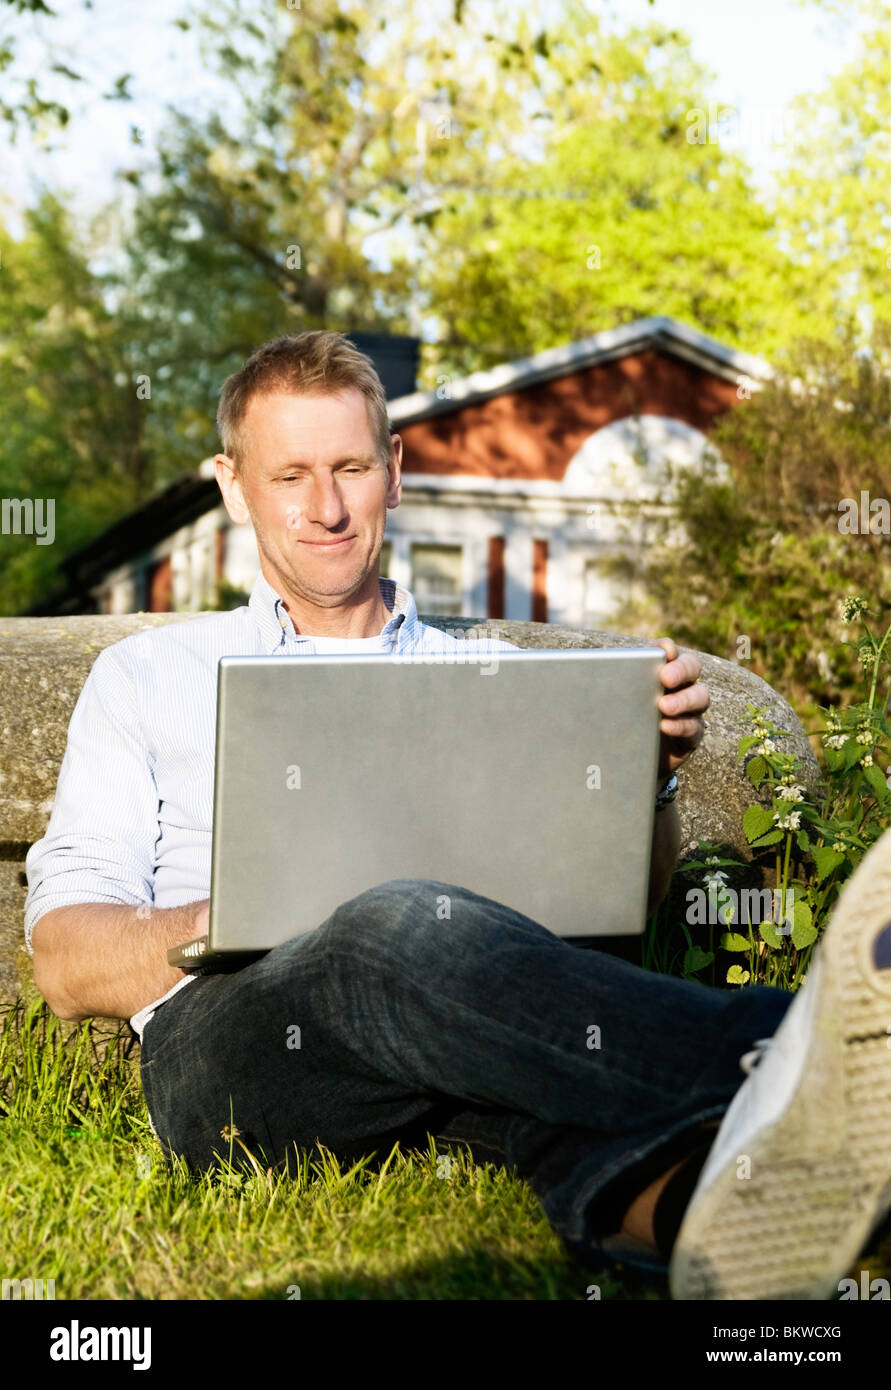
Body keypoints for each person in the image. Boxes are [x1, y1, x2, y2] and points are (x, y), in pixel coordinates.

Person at [24, 332, 890, 1301]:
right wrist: (260, 911)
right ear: (233, 485)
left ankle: (708, 1214)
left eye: (352, 467)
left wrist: (638, 774)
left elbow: (602, 926)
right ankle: (792, 1050)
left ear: (394, 472)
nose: (325, 506)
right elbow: (63, 963)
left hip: (448, 1020)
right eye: (291, 475)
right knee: (386, 922)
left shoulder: (499, 686)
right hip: (225, 1053)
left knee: (520, 1074)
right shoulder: (145, 676)